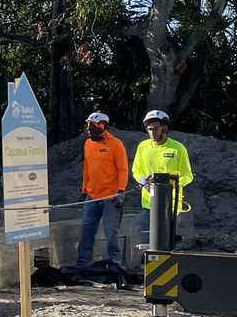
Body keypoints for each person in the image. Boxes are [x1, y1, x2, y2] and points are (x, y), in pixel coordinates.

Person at [132, 110, 194, 243]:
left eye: (155, 129)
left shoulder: (177, 149)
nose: (151, 133)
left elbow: (188, 175)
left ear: (164, 127)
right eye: (149, 129)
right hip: (148, 203)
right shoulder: (143, 147)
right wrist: (144, 182)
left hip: (170, 204)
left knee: (166, 241)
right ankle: (145, 263)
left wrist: (173, 184)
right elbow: (136, 171)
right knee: (144, 239)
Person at [76, 112, 129, 267]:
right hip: (92, 197)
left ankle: (115, 263)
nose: (89, 129)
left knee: (111, 233)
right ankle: (83, 262)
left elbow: (123, 169)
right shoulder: (88, 144)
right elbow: (86, 168)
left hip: (111, 198)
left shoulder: (116, 144)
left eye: (92, 126)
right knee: (86, 230)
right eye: (88, 126)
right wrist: (84, 190)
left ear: (102, 126)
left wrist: (120, 191)